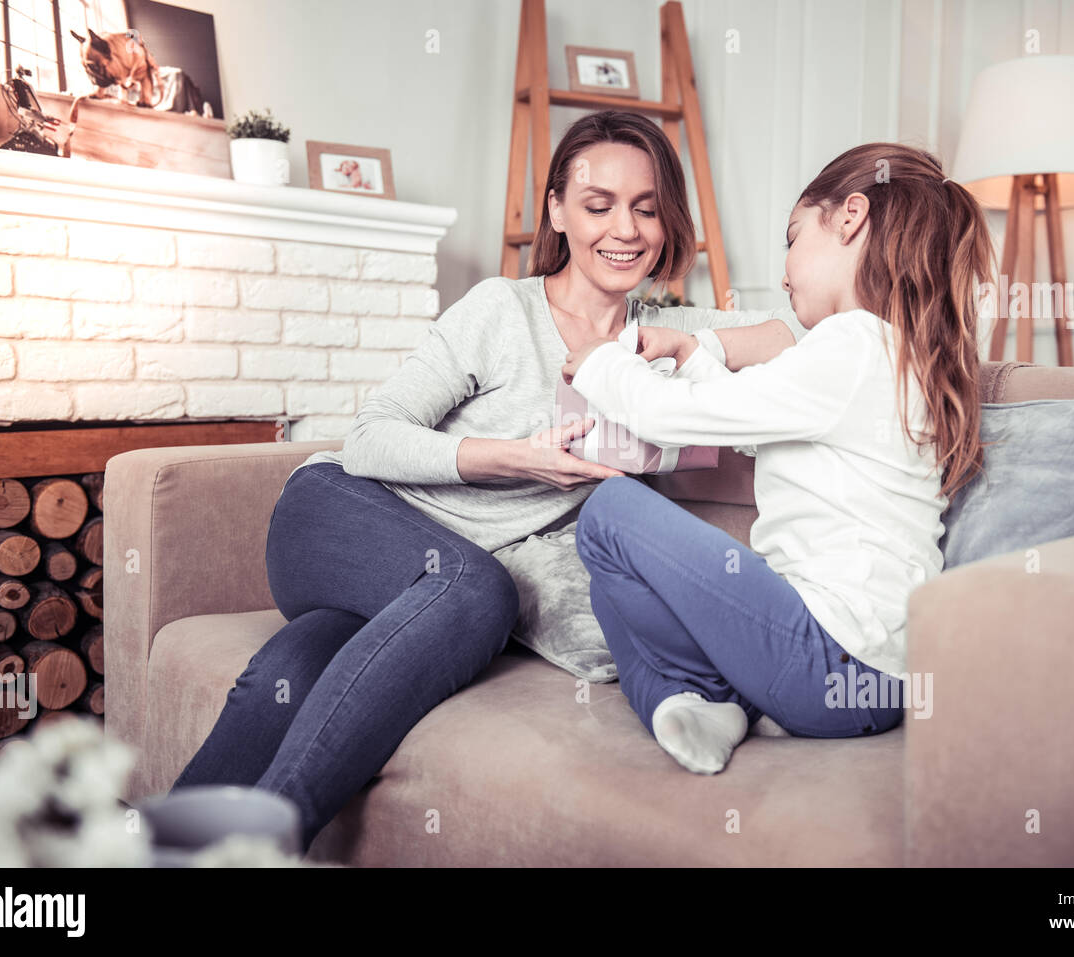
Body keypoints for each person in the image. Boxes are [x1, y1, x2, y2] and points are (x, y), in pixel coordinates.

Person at [169, 110, 805, 853]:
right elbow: (371, 436)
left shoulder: (659, 335)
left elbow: (793, 331)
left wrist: (693, 343)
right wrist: (518, 457)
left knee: (294, 667)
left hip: (415, 590)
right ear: (558, 211)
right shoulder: (502, 310)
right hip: (339, 516)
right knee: (477, 591)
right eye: (598, 205)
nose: (624, 228)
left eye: (647, 206)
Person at [564, 143, 996, 775]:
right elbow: (749, 417)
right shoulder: (896, 354)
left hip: (828, 657)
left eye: (793, 238)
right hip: (874, 688)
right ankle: (702, 707)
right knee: (613, 588)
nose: (785, 269)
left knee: (608, 513)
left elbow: (664, 416)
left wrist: (598, 359)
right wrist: (690, 353)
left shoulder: (852, 344)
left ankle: (696, 693)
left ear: (850, 218)